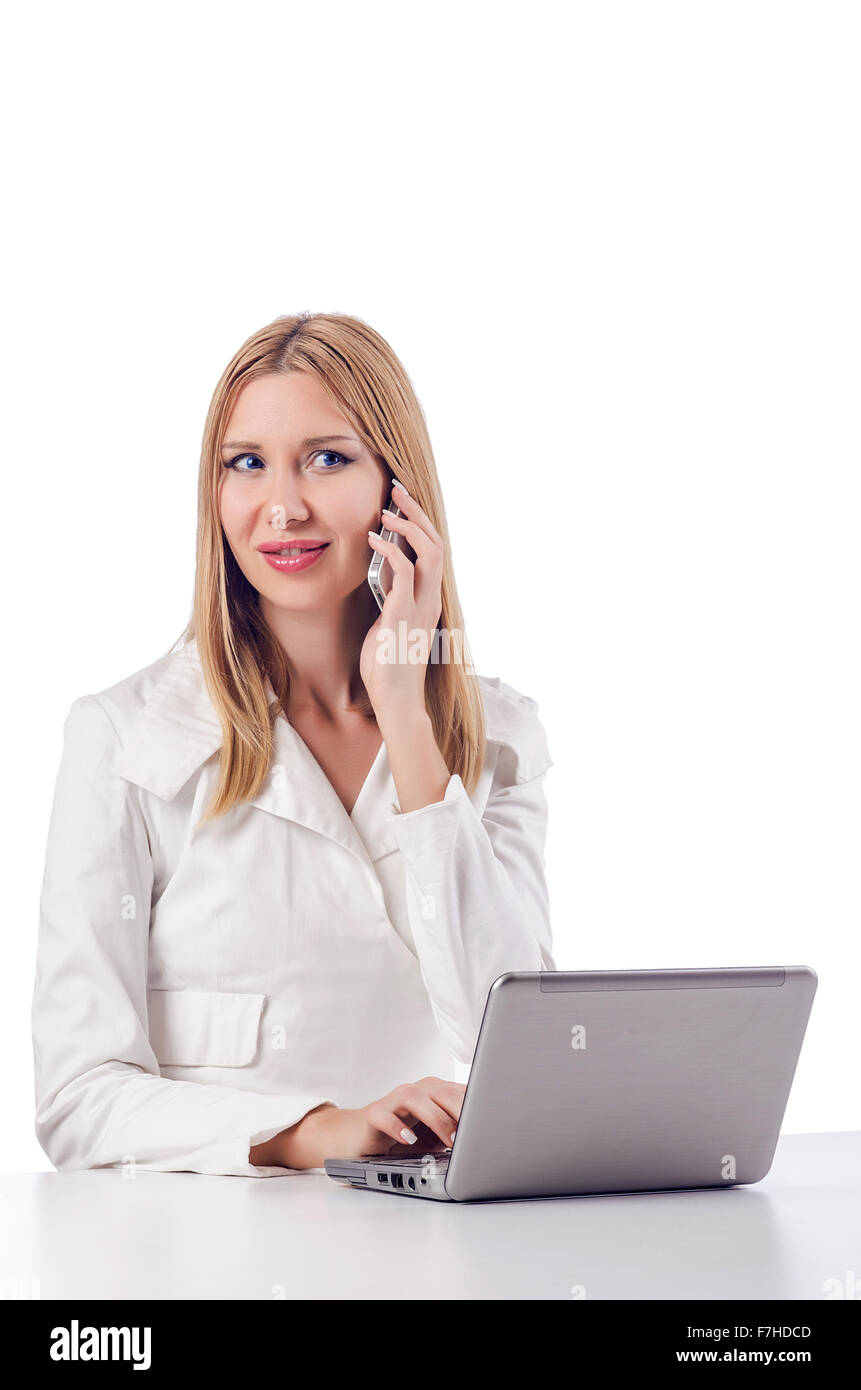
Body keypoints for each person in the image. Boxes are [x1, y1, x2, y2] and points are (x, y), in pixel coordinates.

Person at [31, 311, 555, 1178]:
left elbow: (516, 1044)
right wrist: (318, 1131)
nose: (282, 505)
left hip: (424, 1254)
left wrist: (408, 719)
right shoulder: (123, 738)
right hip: (204, 1257)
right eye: (247, 464)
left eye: (328, 457)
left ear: (399, 487)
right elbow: (78, 1100)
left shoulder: (496, 739)